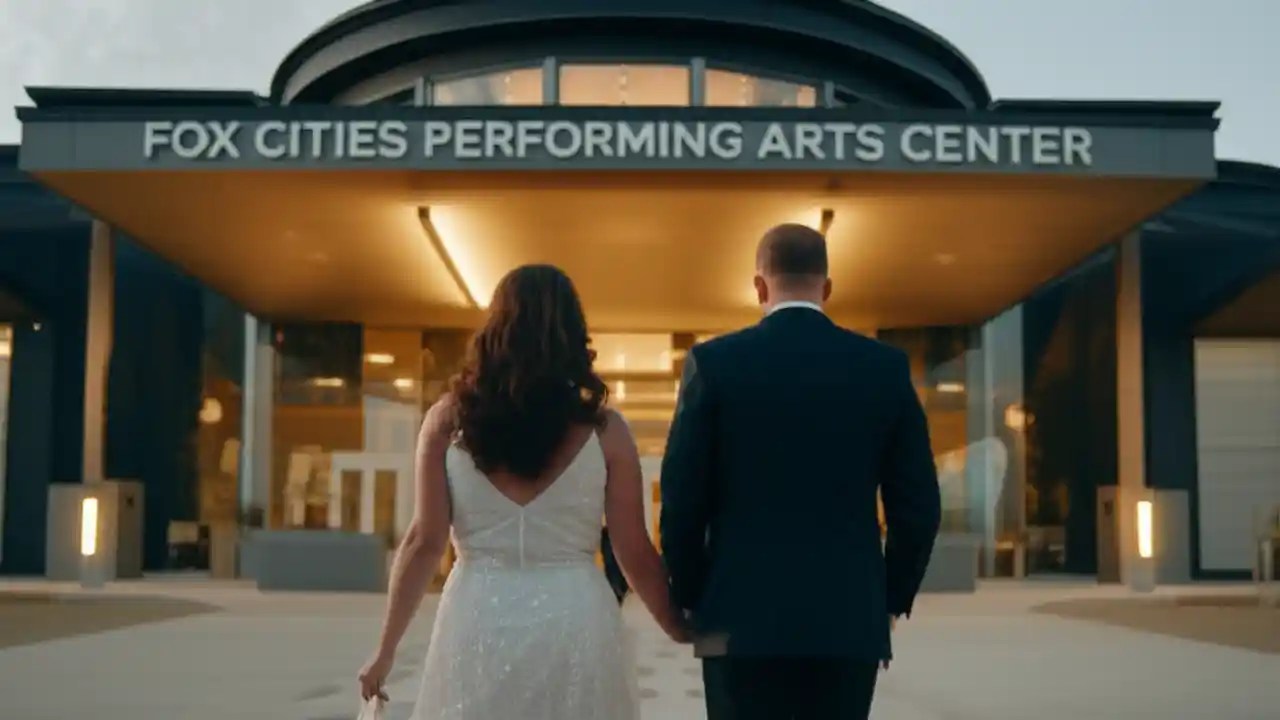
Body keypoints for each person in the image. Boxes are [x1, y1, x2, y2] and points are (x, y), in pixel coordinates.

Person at [358, 264, 688, 719]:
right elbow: (631, 548)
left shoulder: (448, 422)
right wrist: (676, 623)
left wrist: (385, 650)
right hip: (576, 617)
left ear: (495, 330)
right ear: (574, 334)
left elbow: (424, 541)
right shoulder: (605, 431)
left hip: (476, 615)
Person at [660, 223, 942, 719]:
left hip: (738, 621)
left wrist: (690, 597)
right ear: (827, 288)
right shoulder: (884, 369)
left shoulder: (714, 364)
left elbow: (683, 501)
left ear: (759, 287)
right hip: (847, 621)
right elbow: (918, 507)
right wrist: (889, 599)